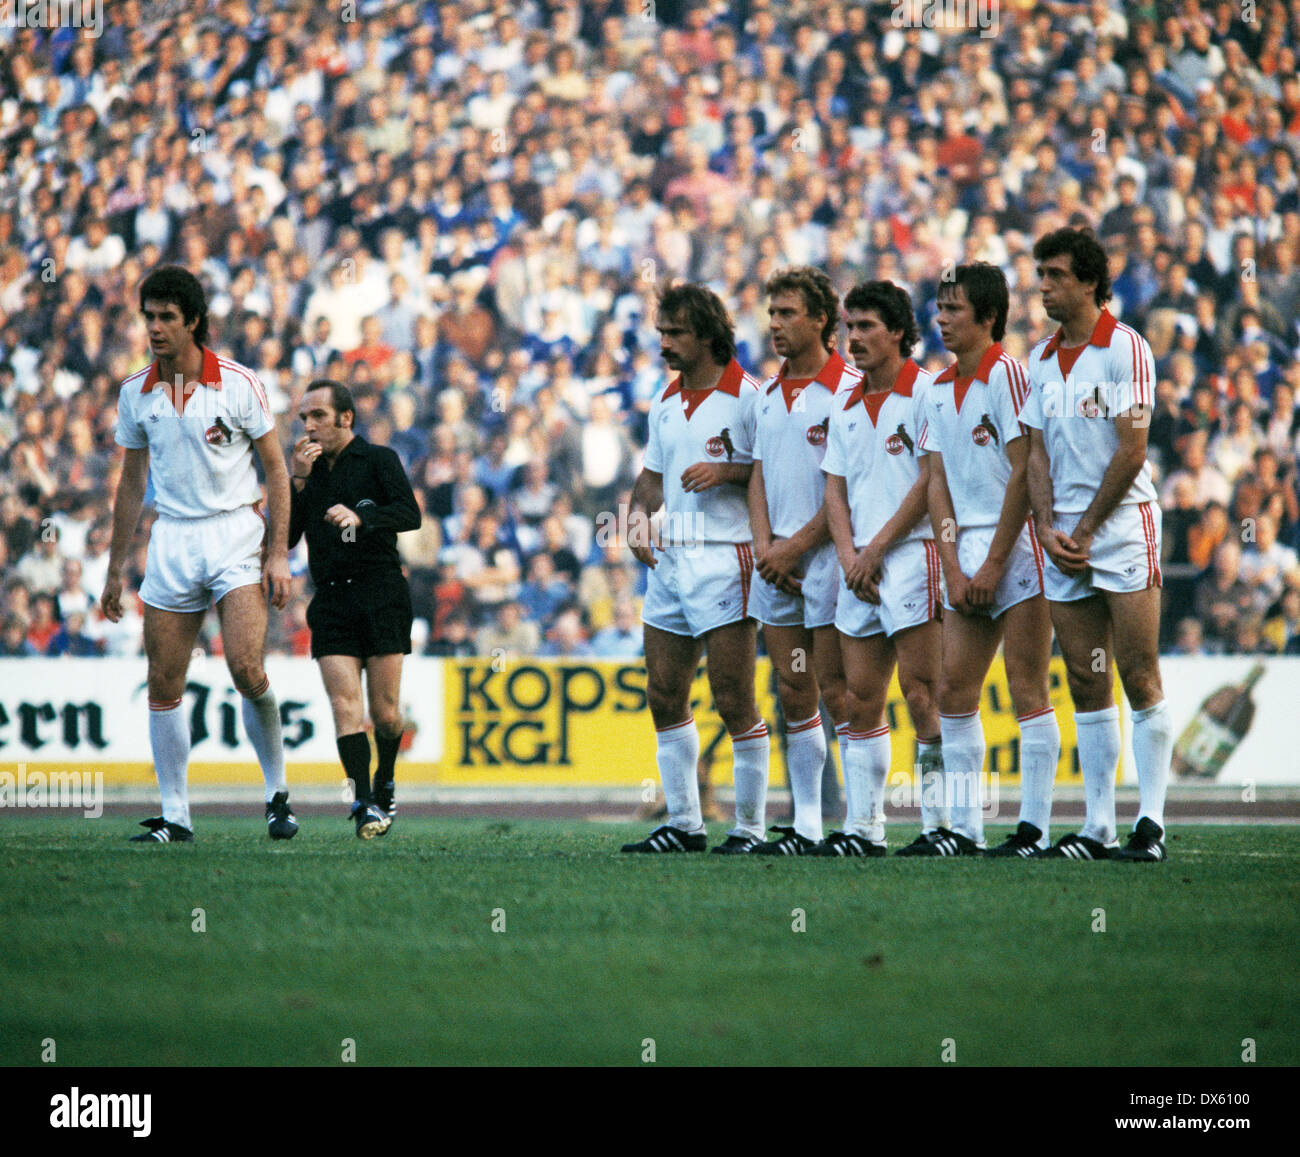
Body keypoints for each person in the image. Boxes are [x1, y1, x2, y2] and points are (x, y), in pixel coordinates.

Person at [102, 265, 296, 844]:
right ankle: (176, 815)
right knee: (164, 679)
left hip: (236, 533)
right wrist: (115, 567)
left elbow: (278, 471)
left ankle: (276, 793)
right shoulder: (135, 392)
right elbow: (132, 482)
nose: (155, 328)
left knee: (246, 667)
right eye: (149, 317)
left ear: (193, 321)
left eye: (166, 317)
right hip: (173, 538)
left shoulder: (238, 383)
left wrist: (278, 553)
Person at [1022, 227, 1171, 861]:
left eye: (1054, 274)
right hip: (1062, 536)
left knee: (1137, 672)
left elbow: (1132, 449)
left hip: (1120, 526)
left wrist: (1082, 531)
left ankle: (1153, 825)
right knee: (1086, 678)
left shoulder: (1125, 350)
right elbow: (1033, 453)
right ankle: (1097, 826)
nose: (1044, 286)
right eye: (1040, 275)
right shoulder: (1037, 359)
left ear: (1089, 281)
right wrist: (1047, 528)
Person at [620, 282, 768, 854]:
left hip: (727, 555)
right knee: (663, 691)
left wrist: (728, 472)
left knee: (733, 696)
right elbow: (652, 477)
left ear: (708, 335)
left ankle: (751, 828)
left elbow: (775, 476)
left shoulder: (750, 397)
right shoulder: (664, 399)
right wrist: (636, 518)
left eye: (676, 333)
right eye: (661, 333)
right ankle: (684, 824)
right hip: (672, 560)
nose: (664, 343)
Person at [920, 262, 1060, 857]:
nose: (942, 319)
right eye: (940, 308)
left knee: (1028, 683)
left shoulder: (1009, 376)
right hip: (966, 549)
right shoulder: (933, 387)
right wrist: (953, 563)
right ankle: (963, 828)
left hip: (1018, 543)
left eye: (954, 309)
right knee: (954, 689)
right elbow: (937, 484)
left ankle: (1033, 829)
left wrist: (995, 562)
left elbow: (1024, 473)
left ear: (989, 318)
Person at [820, 281, 947, 856]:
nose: (854, 338)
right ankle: (864, 829)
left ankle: (941, 827)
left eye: (867, 326)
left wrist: (874, 551)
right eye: (849, 327)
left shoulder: (927, 391)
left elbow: (929, 481)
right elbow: (835, 489)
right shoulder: (845, 403)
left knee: (923, 694)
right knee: (858, 699)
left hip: (913, 556)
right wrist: (849, 556)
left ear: (898, 330)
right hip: (860, 567)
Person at [747, 267, 857, 854]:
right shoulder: (766, 394)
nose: (775, 325)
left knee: (841, 692)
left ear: (821, 319)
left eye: (788, 314)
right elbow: (759, 476)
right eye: (772, 314)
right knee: (794, 690)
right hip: (777, 567)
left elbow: (851, 487)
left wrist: (797, 546)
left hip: (828, 562)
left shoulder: (849, 390)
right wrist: (767, 548)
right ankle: (808, 825)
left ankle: (861, 825)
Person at [290, 380, 421, 839]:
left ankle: (385, 781)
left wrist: (363, 517)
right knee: (345, 705)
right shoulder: (307, 471)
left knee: (385, 715)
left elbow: (410, 514)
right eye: (305, 417)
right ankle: (363, 802)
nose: (309, 425)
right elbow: (285, 538)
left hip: (382, 592)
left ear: (345, 418)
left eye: (318, 416)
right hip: (331, 599)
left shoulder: (380, 460)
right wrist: (298, 482)